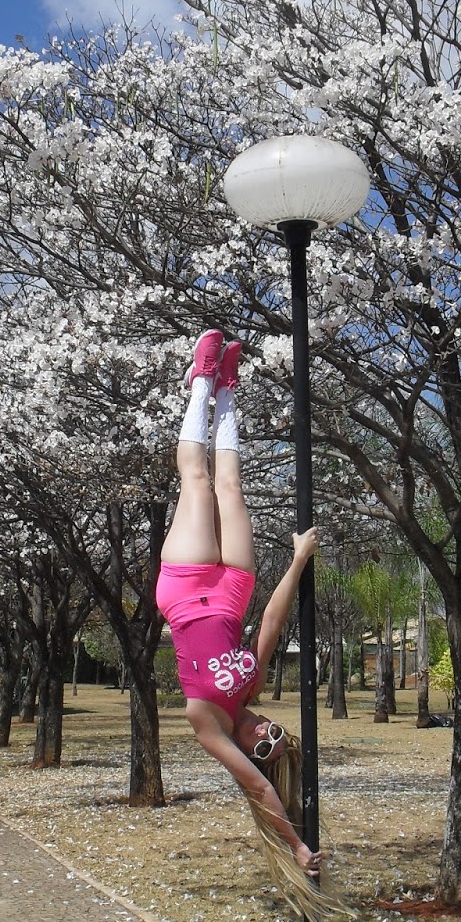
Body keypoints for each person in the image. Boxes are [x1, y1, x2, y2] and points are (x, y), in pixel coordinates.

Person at [156, 328, 323, 886]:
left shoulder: (209, 724)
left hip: (183, 595)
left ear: (250, 750)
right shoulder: (251, 687)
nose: (271, 731)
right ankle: (227, 389)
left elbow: (259, 789)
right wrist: (298, 560)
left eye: (268, 743)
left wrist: (297, 847)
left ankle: (199, 382)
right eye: (280, 733)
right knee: (231, 487)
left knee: (197, 484)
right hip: (232, 597)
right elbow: (272, 623)